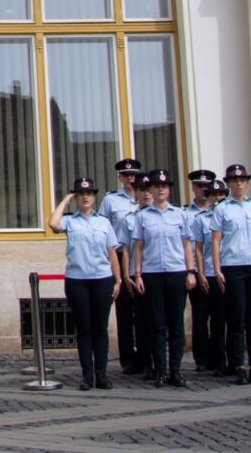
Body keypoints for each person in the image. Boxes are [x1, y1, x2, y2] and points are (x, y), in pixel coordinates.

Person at [50, 177, 121, 390]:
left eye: (89, 194)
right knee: (83, 330)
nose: (85, 197)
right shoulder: (71, 221)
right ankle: (87, 376)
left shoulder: (104, 222)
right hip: (77, 280)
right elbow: (53, 224)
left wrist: (117, 280)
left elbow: (112, 253)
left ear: (94, 196)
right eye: (81, 194)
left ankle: (101, 375)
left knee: (100, 329)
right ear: (77, 197)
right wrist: (65, 200)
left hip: (102, 279)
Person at [133, 168, 196, 388]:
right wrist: (138, 274)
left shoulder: (180, 214)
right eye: (157, 186)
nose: (161, 189)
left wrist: (191, 271)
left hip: (176, 272)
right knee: (157, 325)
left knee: (176, 325)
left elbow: (187, 244)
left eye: (164, 186)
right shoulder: (142, 216)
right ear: (149, 189)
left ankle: (176, 370)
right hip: (152, 273)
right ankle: (160, 370)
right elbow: (139, 247)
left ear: (169, 190)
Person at [211, 164, 251, 384]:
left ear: (247, 183)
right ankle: (238, 365)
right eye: (234, 181)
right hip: (233, 265)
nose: (238, 184)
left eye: (242, 180)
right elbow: (216, 241)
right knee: (236, 318)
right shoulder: (222, 209)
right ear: (228, 184)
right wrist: (217, 269)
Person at [99, 158, 142, 372]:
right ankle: (128, 359)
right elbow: (101, 228)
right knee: (124, 313)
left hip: (142, 259)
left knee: (144, 313)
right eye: (126, 175)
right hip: (118, 256)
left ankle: (145, 356)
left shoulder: (147, 197)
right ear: (120, 177)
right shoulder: (111, 200)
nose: (130, 178)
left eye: (133, 174)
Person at [120, 174, 156, 377]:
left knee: (157, 321)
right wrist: (126, 275)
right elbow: (125, 249)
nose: (147, 194)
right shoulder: (130, 218)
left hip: (157, 272)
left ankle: (156, 361)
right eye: (143, 190)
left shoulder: (167, 214)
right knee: (140, 320)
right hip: (136, 274)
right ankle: (143, 360)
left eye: (149, 190)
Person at [183, 168, 218, 372]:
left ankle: (217, 356)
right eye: (199, 186)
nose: (203, 190)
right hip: (196, 271)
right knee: (200, 316)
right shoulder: (186, 213)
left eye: (207, 187)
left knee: (219, 316)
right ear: (193, 188)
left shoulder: (218, 213)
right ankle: (202, 358)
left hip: (216, 271)